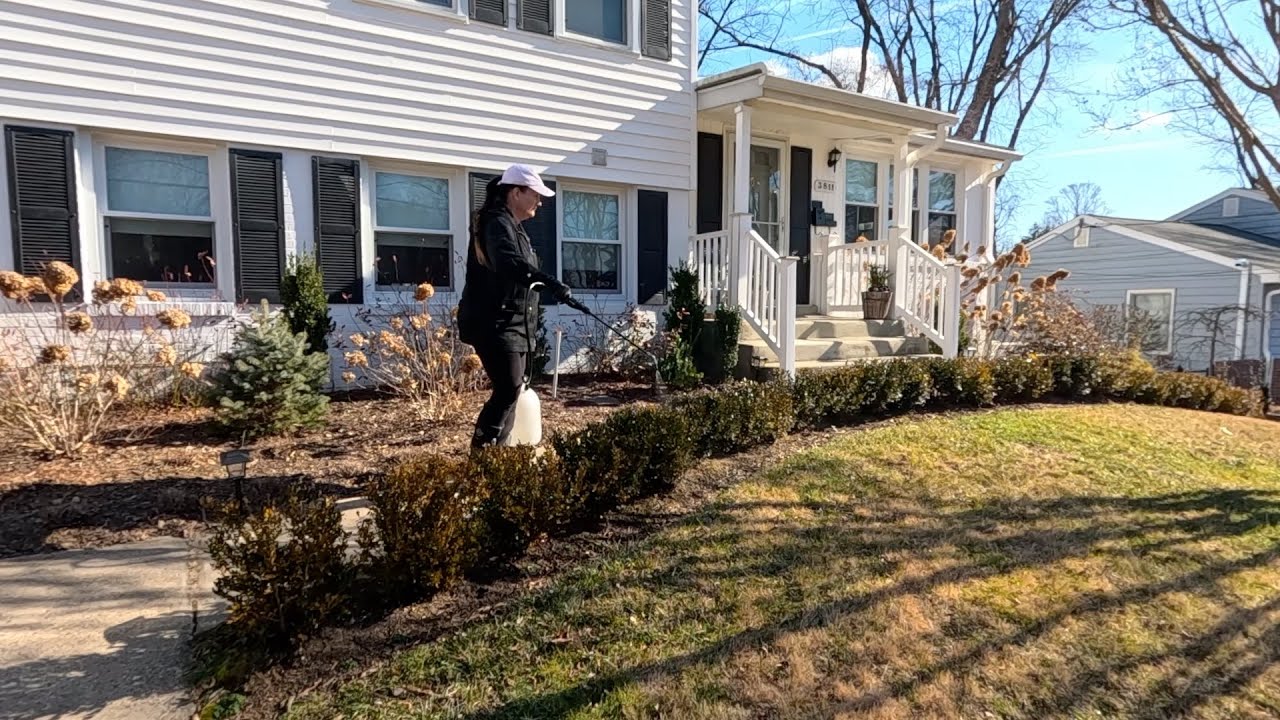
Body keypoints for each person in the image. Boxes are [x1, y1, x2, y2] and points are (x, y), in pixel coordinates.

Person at [458, 164, 575, 448]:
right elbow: (508, 263)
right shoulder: (494, 222)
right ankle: (483, 453)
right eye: (534, 194)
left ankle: (500, 452)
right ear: (515, 192)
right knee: (508, 388)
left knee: (514, 389)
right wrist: (549, 281)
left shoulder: (514, 228)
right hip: (493, 322)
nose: (540, 201)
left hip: (516, 323)